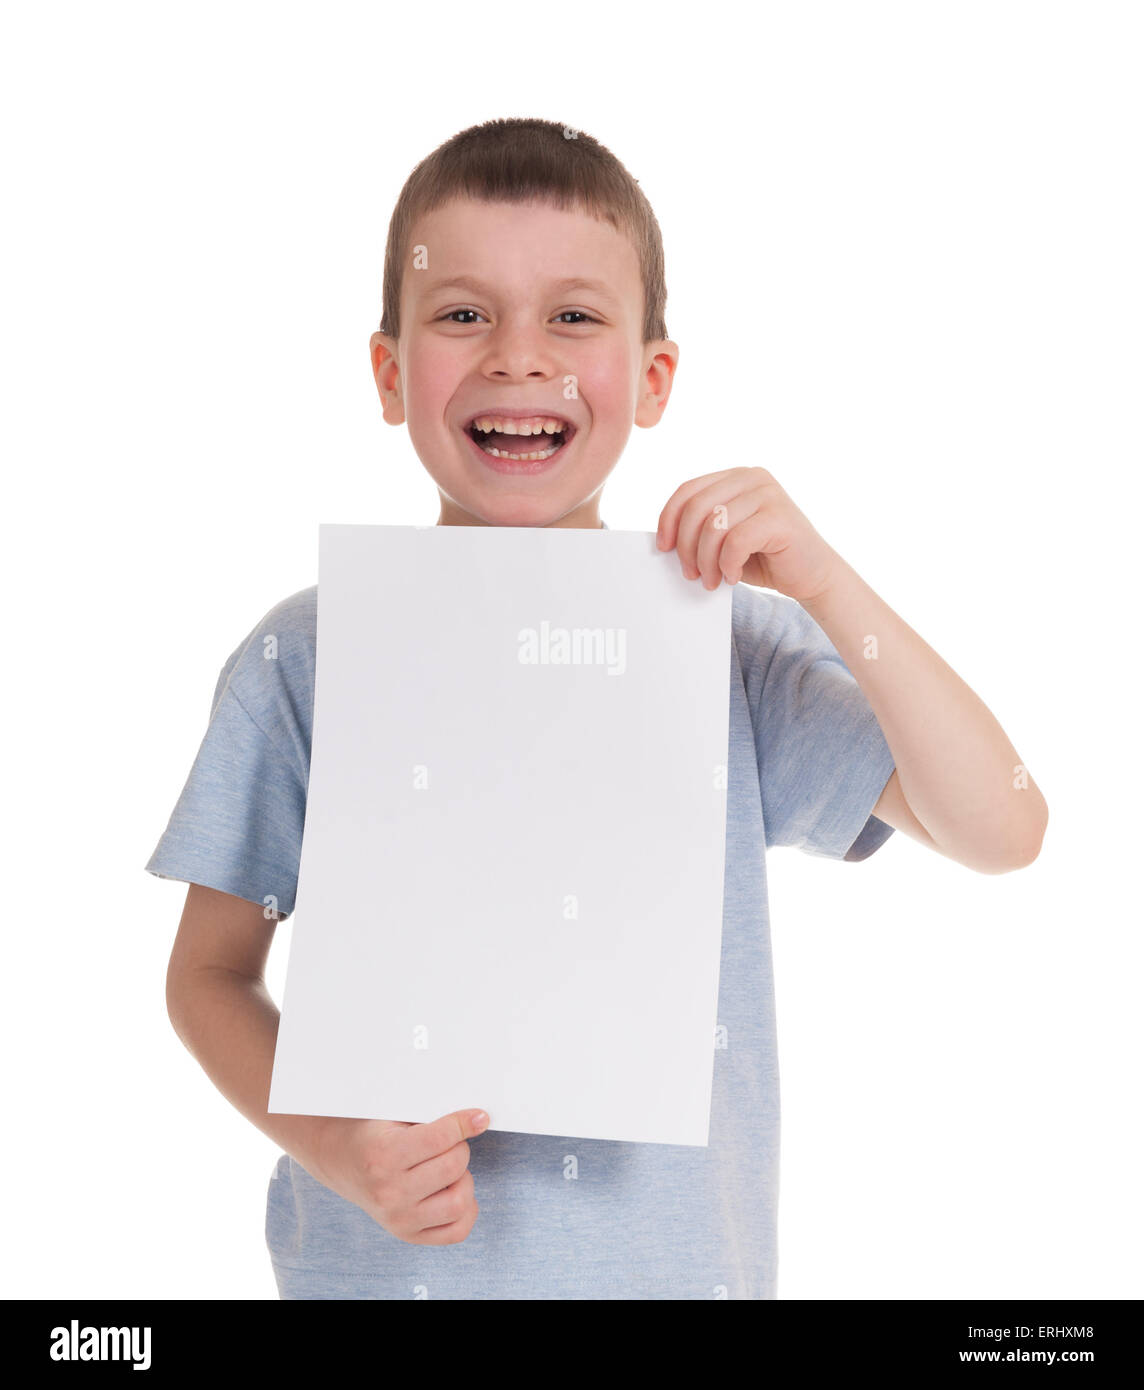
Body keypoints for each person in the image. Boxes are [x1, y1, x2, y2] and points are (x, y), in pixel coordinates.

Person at [146, 116, 1048, 1300]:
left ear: (654, 375)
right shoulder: (303, 658)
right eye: (462, 312)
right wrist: (337, 1151)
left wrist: (826, 579)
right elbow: (208, 976)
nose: (520, 355)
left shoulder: (726, 645)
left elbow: (1003, 826)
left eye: (573, 315)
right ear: (386, 371)